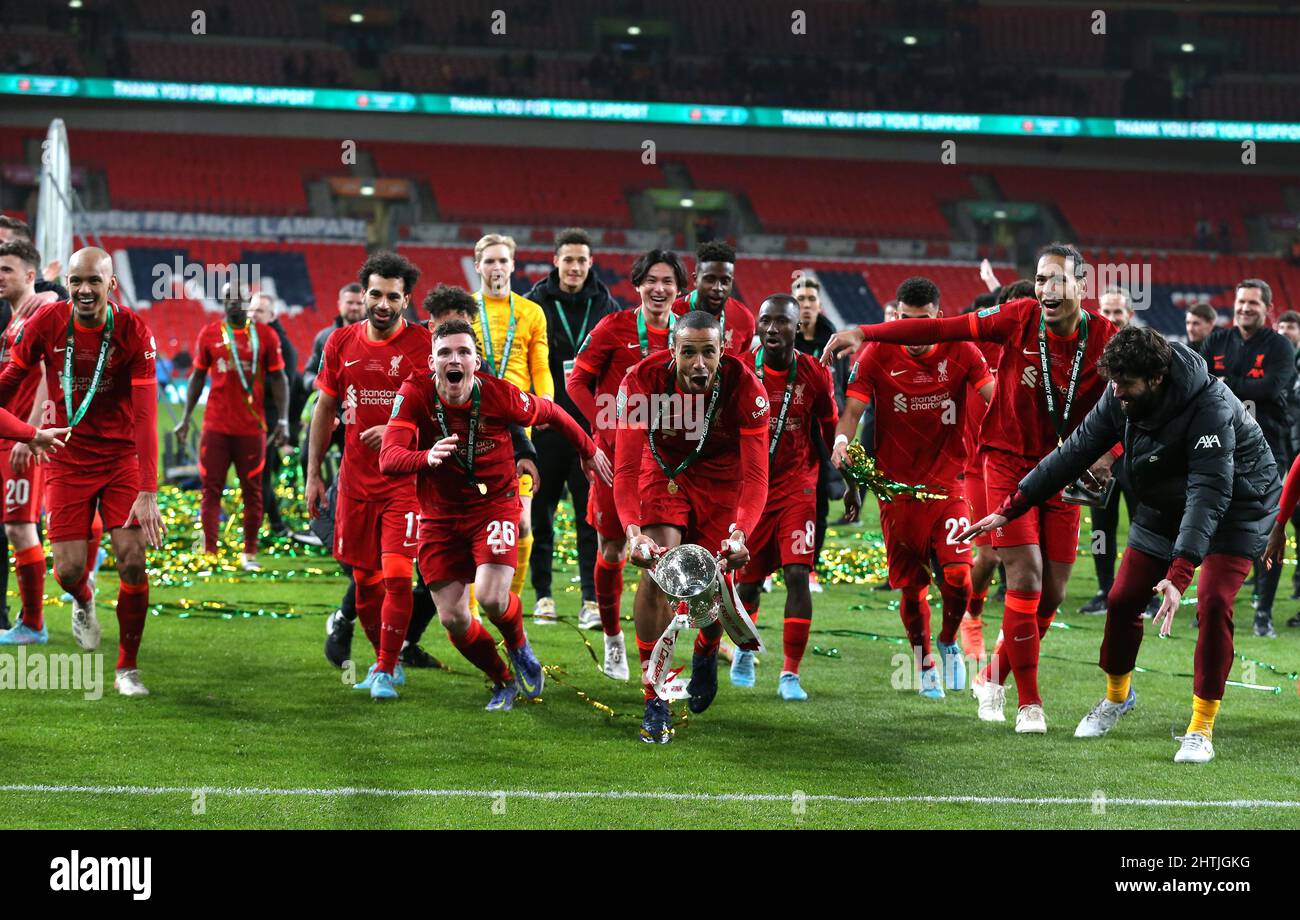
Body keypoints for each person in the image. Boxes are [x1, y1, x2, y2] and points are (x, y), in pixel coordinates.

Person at [824, 243, 1119, 733]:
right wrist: (864, 331)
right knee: (1025, 574)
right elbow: (940, 327)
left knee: (1053, 594)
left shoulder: (1106, 340)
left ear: (1082, 287)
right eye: (1040, 279)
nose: (1046, 289)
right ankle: (1029, 703)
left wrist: (1109, 457)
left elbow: (1129, 405)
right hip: (1005, 462)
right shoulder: (1017, 317)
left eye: (1058, 280)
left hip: (1063, 467)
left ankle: (992, 673)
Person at [971, 327, 1279, 764]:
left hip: (1238, 506)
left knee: (1212, 603)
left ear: (1155, 378)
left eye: (1125, 383)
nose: (1116, 391)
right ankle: (1117, 697)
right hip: (1164, 503)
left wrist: (1178, 574)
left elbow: (1209, 492)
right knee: (1120, 601)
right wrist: (1012, 505)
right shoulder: (1122, 395)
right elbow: (1074, 452)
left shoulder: (1209, 406)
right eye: (1113, 381)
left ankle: (1200, 728)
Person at [380, 315, 610, 709]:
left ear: (476, 360)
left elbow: (552, 414)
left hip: (494, 505)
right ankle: (502, 678)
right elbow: (389, 456)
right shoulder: (415, 391)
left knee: (489, 596)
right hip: (439, 514)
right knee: (452, 617)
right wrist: (425, 456)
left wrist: (588, 450)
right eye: (445, 353)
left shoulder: (500, 394)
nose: (455, 360)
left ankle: (519, 646)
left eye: (463, 352)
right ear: (432, 361)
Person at [0, 247, 163, 696]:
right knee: (68, 571)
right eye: (76, 281)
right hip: (67, 457)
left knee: (132, 562)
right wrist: (25, 431)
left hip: (121, 460)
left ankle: (127, 668)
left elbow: (148, 417)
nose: (84, 290)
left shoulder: (132, 330)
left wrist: (147, 490)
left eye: (94, 281)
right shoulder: (46, 324)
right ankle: (84, 600)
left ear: (112, 285)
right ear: (67, 284)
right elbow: (10, 380)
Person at [832, 277, 993, 699]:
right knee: (911, 587)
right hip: (895, 491)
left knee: (958, 578)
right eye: (904, 320)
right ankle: (923, 663)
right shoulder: (876, 353)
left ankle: (948, 639)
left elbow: (993, 395)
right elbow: (852, 411)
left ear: (938, 318)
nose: (912, 332)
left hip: (948, 485)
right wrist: (841, 442)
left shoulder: (962, 350)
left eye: (921, 322)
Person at [617, 310, 770, 743]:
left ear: (723, 351)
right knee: (658, 575)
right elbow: (626, 470)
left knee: (712, 581)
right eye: (689, 353)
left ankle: (705, 652)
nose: (699, 364)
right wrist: (633, 531)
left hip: (723, 480)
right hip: (662, 472)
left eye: (709, 352)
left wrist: (741, 532)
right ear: (673, 351)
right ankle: (654, 696)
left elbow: (757, 476)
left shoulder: (746, 389)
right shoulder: (641, 383)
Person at [306, 252, 431, 699]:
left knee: (398, 576)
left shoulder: (425, 345)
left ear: (406, 299)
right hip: (355, 484)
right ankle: (387, 661)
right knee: (364, 582)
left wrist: (403, 428)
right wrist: (313, 476)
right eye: (374, 293)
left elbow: (442, 413)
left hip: (404, 484)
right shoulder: (339, 342)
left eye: (392, 296)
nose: (382, 303)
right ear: (363, 294)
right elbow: (324, 410)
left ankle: (382, 667)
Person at [566, 248, 684, 679]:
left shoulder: (685, 335)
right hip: (616, 460)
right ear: (637, 285)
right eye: (651, 280)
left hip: (668, 466)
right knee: (612, 549)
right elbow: (576, 379)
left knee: (665, 556)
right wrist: (604, 430)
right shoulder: (614, 327)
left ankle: (661, 660)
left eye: (667, 282)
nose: (659, 289)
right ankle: (613, 637)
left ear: (678, 289)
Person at [735, 295, 838, 701]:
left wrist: (843, 477)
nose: (773, 329)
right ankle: (745, 650)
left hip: (799, 485)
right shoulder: (741, 370)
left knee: (798, 573)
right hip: (751, 491)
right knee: (748, 584)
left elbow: (830, 428)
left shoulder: (814, 373)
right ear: (758, 326)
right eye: (766, 321)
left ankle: (790, 674)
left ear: (798, 328)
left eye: (783, 322)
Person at [524, 228, 614, 630]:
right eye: (568, 259)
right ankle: (543, 596)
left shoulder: (606, 303)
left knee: (588, 517)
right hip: (544, 425)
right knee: (540, 514)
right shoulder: (535, 303)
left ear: (590, 263)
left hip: (588, 431)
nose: (575, 266)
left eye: (582, 259)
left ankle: (591, 601)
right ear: (555, 260)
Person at [1201, 279, 1294, 637]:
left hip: (1270, 453)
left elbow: (1271, 388)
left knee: (1269, 531)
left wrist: (1225, 384)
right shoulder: (1216, 341)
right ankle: (1214, 601)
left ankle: (1263, 611)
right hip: (1219, 450)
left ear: (1267, 308)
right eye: (1241, 302)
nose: (1244, 308)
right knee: (1214, 525)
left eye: (1253, 303)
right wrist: (1234, 385)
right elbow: (1203, 385)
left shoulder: (1280, 346)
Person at [174, 283, 289, 571]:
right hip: (215, 426)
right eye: (229, 299)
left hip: (252, 427)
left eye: (241, 299)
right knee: (210, 490)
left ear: (250, 302)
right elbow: (197, 378)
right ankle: (210, 553)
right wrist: (186, 417)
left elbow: (279, 379)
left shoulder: (265, 335)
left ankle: (249, 553)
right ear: (222, 301)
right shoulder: (209, 333)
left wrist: (284, 419)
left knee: (253, 492)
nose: (235, 304)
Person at [470, 234, 552, 621]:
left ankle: (507, 606)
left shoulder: (531, 312)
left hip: (518, 427)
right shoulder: (465, 310)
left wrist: (544, 408)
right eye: (489, 262)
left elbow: (540, 368)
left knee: (521, 521)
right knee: (469, 517)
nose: (497, 268)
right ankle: (469, 610)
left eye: (503, 261)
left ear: (513, 265)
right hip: (473, 427)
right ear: (478, 266)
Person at [0, 239, 60, 643]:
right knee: (13, 528)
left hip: (22, 438)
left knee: (21, 527)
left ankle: (34, 624)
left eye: (6, 269)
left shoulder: (41, 310)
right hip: (10, 434)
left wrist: (31, 431)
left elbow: (47, 372)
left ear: (29, 275)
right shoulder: (15, 318)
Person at [1078, 287, 1141, 615]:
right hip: (1095, 455)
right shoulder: (1087, 351)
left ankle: (1145, 593)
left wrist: (1112, 452)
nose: (1112, 317)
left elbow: (1142, 414)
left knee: (1142, 525)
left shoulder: (1143, 353)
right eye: (1107, 310)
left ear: (1130, 314)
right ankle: (1105, 590)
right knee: (1100, 526)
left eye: (1118, 311)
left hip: (1135, 455)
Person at [792, 275, 848, 592]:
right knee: (780, 500)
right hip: (792, 428)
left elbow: (841, 385)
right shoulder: (783, 339)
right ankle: (773, 569)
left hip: (825, 428)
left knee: (819, 503)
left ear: (819, 304)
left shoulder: (834, 340)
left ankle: (811, 567)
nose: (807, 305)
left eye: (811, 299)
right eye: (800, 300)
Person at [250, 292, 298, 538]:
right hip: (252, 418)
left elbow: (284, 384)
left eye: (259, 311)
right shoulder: (253, 338)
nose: (252, 315)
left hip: (268, 419)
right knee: (255, 474)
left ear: (272, 315)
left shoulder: (282, 345)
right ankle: (265, 525)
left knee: (260, 474)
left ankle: (276, 525)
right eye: (251, 310)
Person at [672, 240, 755, 357]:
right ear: (695, 280)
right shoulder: (672, 313)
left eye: (725, 281)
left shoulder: (744, 319)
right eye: (710, 279)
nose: (718, 288)